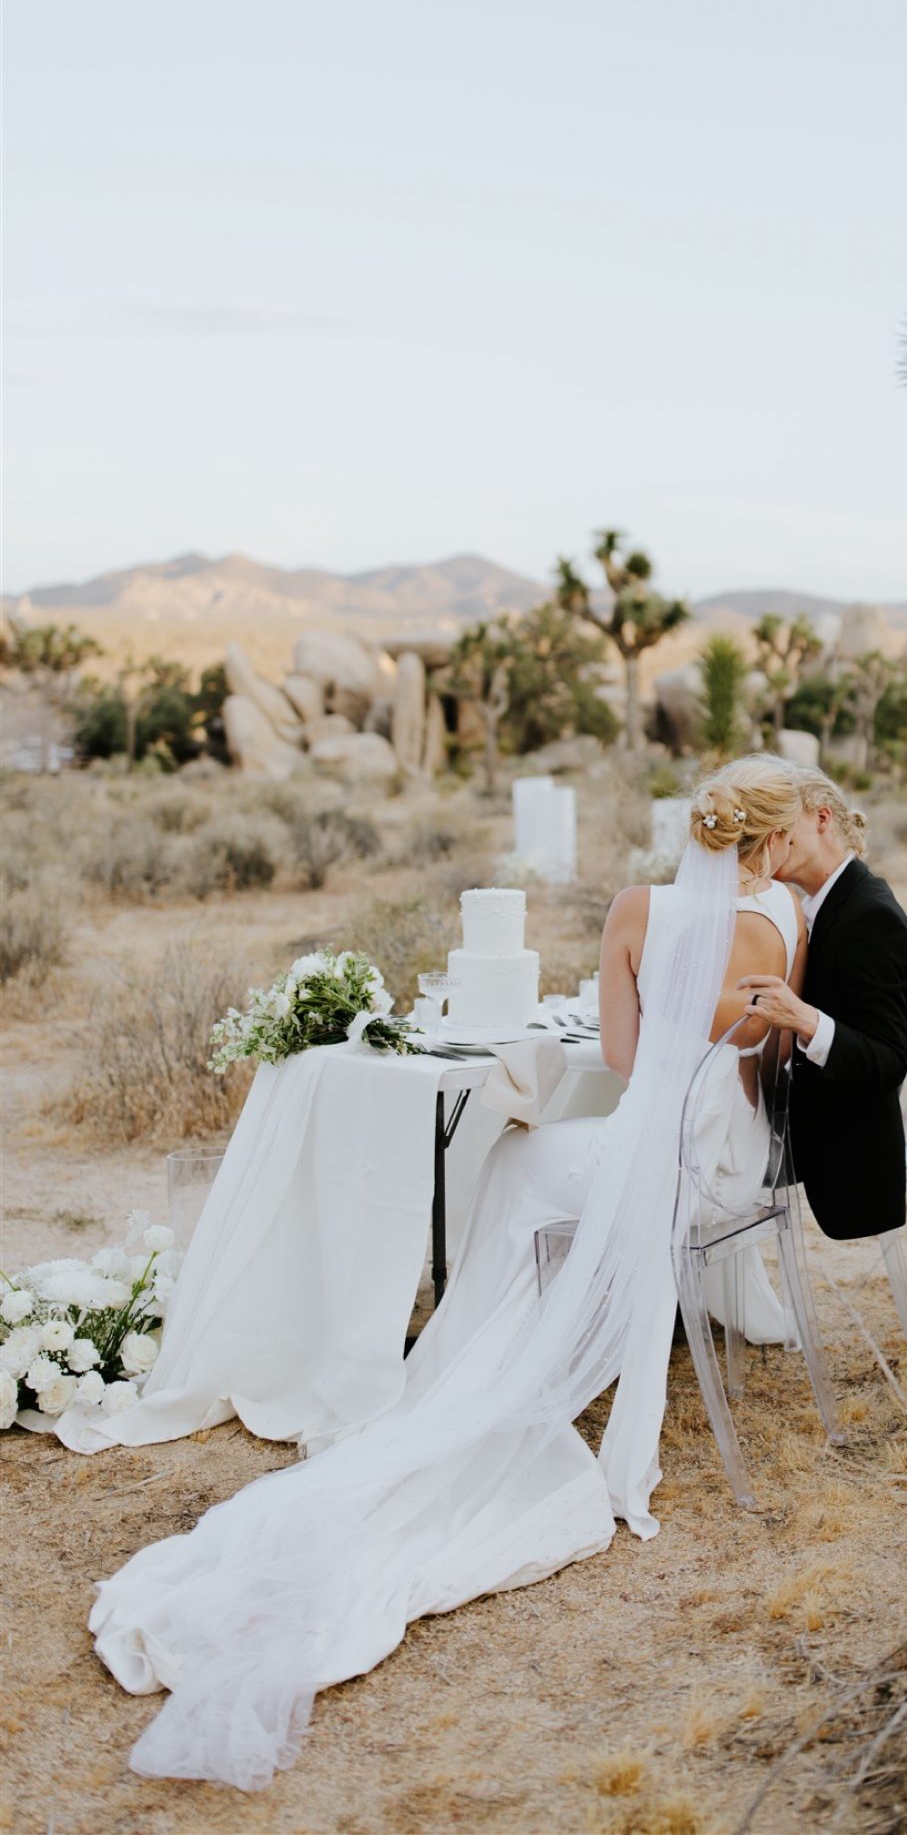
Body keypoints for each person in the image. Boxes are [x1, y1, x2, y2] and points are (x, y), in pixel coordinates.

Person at [89, 761, 806, 1791]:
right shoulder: (783, 919)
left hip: (649, 1163)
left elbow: (618, 1048)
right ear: (774, 844)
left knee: (519, 1162)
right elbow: (758, 1060)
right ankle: (502, 1354)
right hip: (724, 1168)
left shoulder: (636, 911)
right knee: (551, 1167)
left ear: (702, 834)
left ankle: (460, 1364)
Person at [737, 764, 907, 1242]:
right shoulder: (826, 905)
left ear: (822, 818)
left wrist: (802, 1019)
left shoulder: (868, 919)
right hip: (807, 1113)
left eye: (780, 825)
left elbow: (886, 1064)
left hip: (837, 1142)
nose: (768, 838)